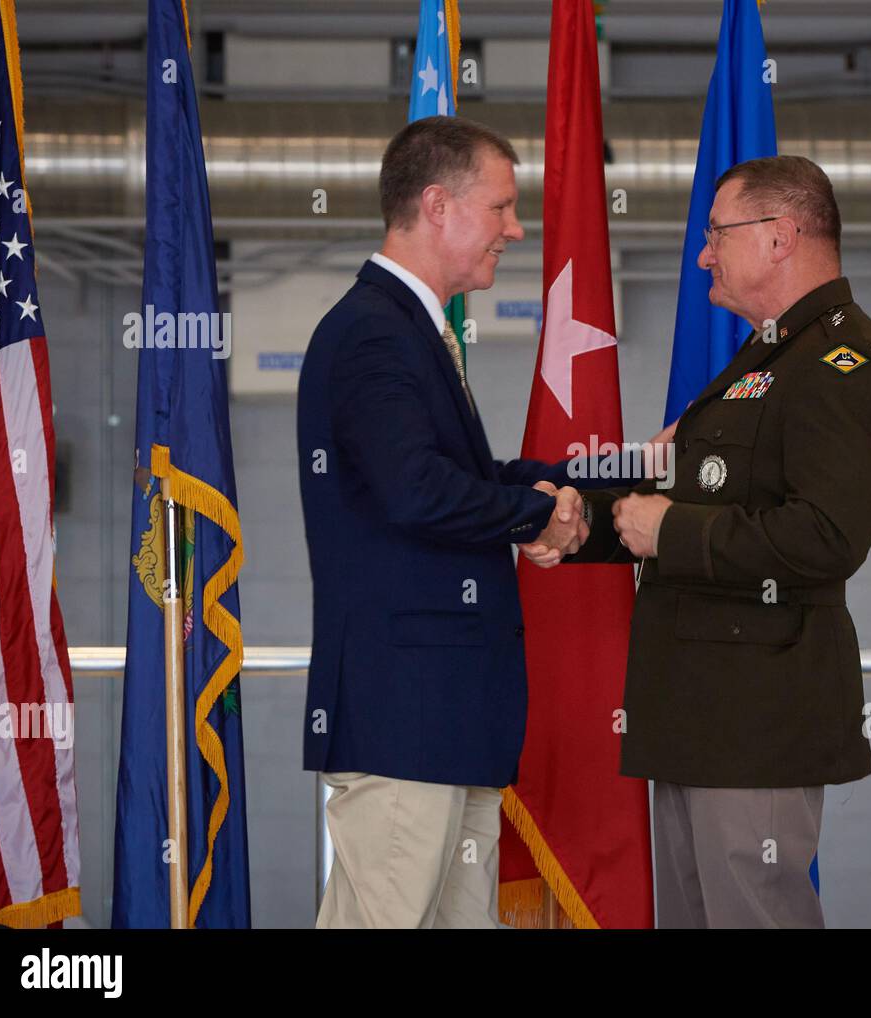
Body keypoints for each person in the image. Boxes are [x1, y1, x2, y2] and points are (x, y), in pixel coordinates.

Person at [527, 155, 871, 928]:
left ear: (781, 237)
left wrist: (668, 530)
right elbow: (688, 496)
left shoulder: (841, 365)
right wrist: (577, 526)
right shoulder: (762, 362)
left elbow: (826, 536)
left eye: (716, 234)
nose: (703, 254)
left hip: (755, 724)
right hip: (696, 717)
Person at [296, 116, 591, 929]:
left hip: (446, 716)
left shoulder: (406, 329)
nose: (515, 227)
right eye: (500, 207)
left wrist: (598, 479)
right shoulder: (371, 333)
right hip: (405, 716)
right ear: (438, 205)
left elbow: (461, 481)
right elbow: (416, 490)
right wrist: (538, 514)